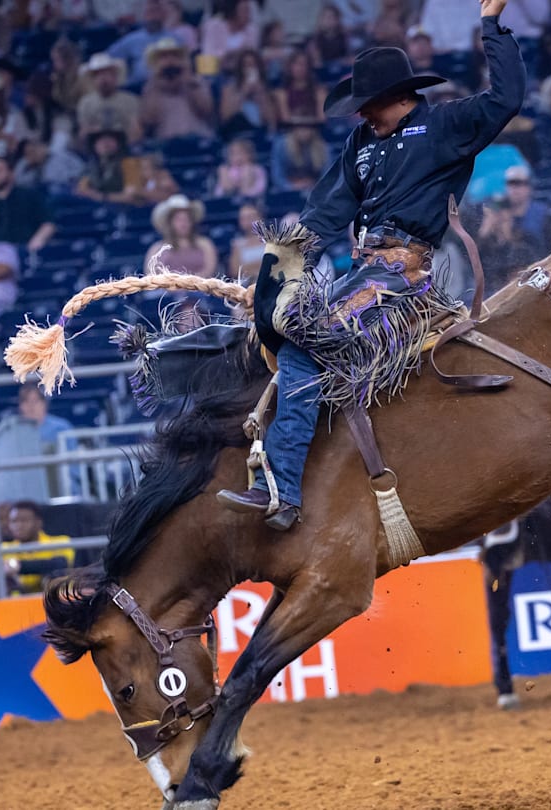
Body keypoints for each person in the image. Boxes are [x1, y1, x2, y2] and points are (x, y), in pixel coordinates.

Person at [217, 0, 525, 530]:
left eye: (367, 104)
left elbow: (506, 97)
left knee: (306, 342)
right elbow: (325, 211)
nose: (359, 113)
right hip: (361, 271)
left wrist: (490, 27)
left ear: (398, 98)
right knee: (274, 333)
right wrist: (279, 268)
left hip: (400, 275)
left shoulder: (447, 124)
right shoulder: (362, 142)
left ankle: (283, 490)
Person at [0, 156, 55, 250]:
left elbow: (48, 223)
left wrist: (38, 240)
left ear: (11, 173)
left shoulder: (30, 195)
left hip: (27, 249)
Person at [2, 500, 73, 594]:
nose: (18, 526)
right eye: (14, 521)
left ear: (38, 523)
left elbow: (61, 564)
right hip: (18, 602)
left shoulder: (60, 542)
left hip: (56, 599)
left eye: (24, 520)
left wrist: (20, 566)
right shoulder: (5, 548)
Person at [76, 53, 143, 146]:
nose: (103, 79)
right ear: (92, 79)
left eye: (107, 74)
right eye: (98, 75)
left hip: (124, 147)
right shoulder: (86, 103)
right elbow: (84, 132)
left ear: (115, 76)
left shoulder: (131, 100)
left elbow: (135, 131)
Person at [147, 194, 219, 279]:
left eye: (187, 219)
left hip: (199, 289)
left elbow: (209, 271)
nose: (183, 224)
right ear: (170, 223)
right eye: (178, 219)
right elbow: (151, 275)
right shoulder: (156, 249)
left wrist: (188, 284)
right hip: (166, 290)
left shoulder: (205, 245)